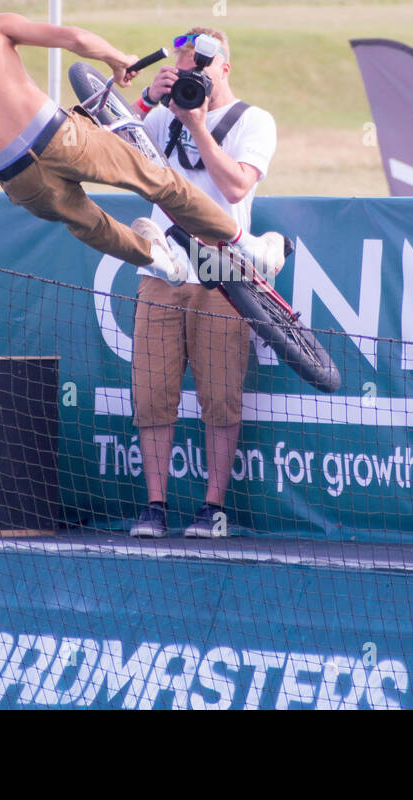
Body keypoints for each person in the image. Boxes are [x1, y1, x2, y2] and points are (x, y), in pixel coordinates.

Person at [0, 7, 286, 280]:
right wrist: (117, 58)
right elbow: (74, 39)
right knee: (159, 182)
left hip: (18, 177)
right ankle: (247, 247)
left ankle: (158, 262)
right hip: (60, 136)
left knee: (89, 224)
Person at [127, 29, 277, 539]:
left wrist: (198, 124)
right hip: (161, 268)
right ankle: (154, 504)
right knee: (152, 393)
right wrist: (149, 97)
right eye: (185, 68)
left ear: (225, 68)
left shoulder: (254, 121)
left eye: (201, 69)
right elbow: (108, 144)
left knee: (219, 395)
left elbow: (236, 183)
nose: (193, 78)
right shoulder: (161, 114)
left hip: (220, 273)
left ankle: (212, 506)